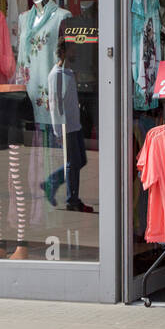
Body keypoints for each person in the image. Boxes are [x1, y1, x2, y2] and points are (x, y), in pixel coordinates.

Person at [45, 39, 93, 213]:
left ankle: (51, 183)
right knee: (73, 163)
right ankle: (72, 200)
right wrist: (58, 130)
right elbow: (55, 103)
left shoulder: (68, 72)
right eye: (73, 50)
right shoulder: (56, 75)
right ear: (64, 52)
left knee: (80, 160)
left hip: (75, 125)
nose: (76, 53)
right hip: (66, 127)